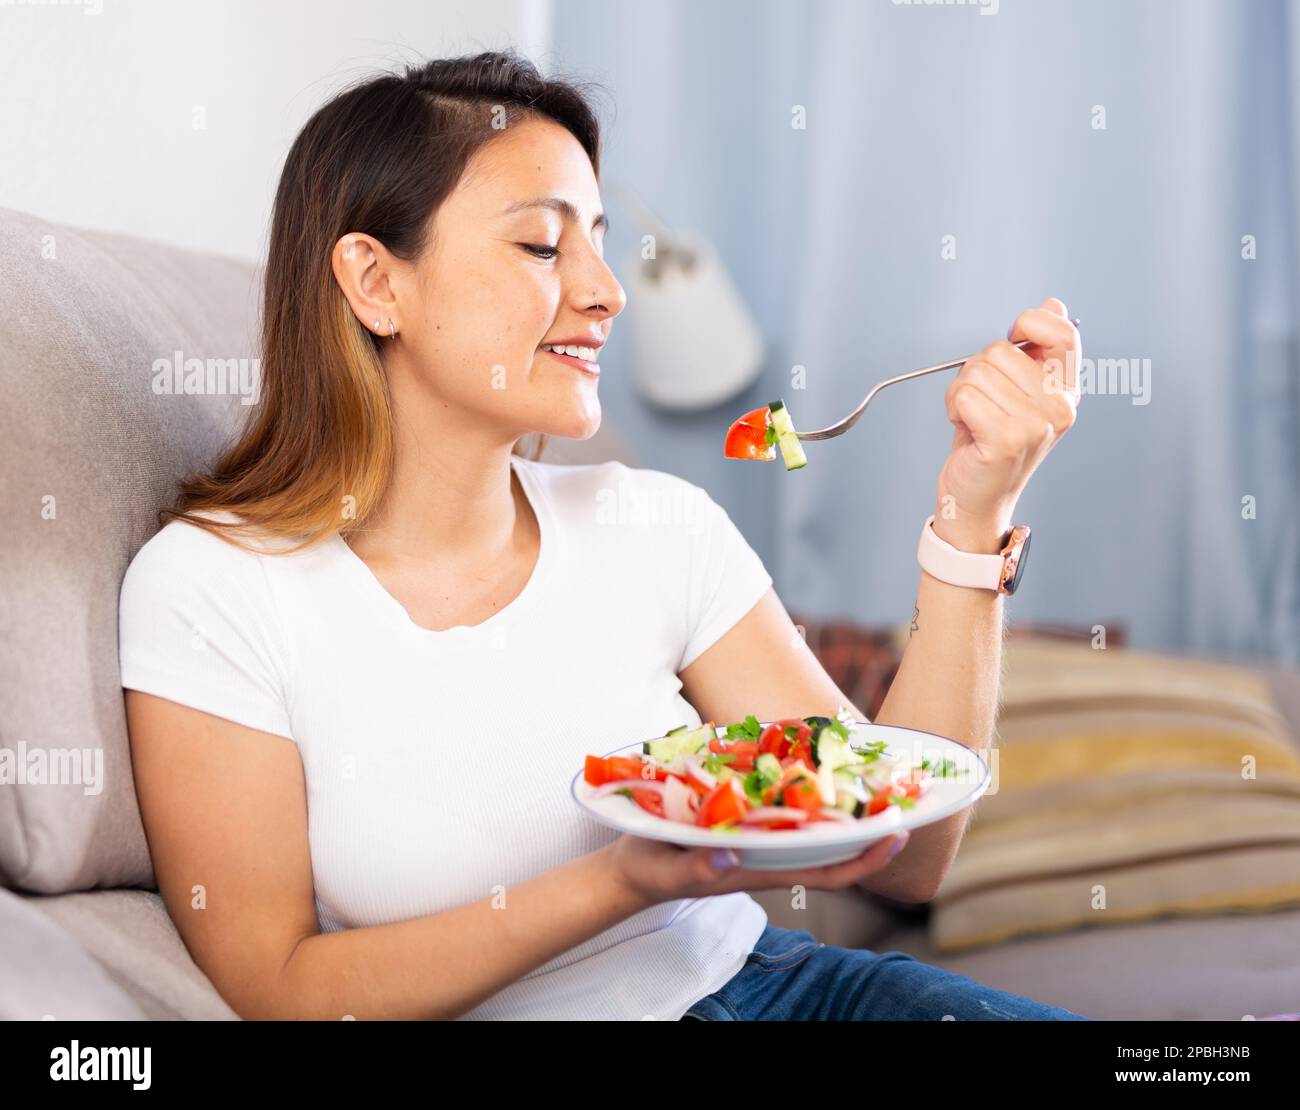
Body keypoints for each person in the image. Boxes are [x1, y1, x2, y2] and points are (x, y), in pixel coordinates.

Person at [118, 49, 1088, 1021]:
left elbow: (908, 856)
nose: (607, 292)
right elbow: (279, 990)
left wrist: (973, 515)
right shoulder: (212, 587)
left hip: (780, 992)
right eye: (543, 247)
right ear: (376, 283)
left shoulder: (653, 523)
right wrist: (624, 881)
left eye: (598, 242)